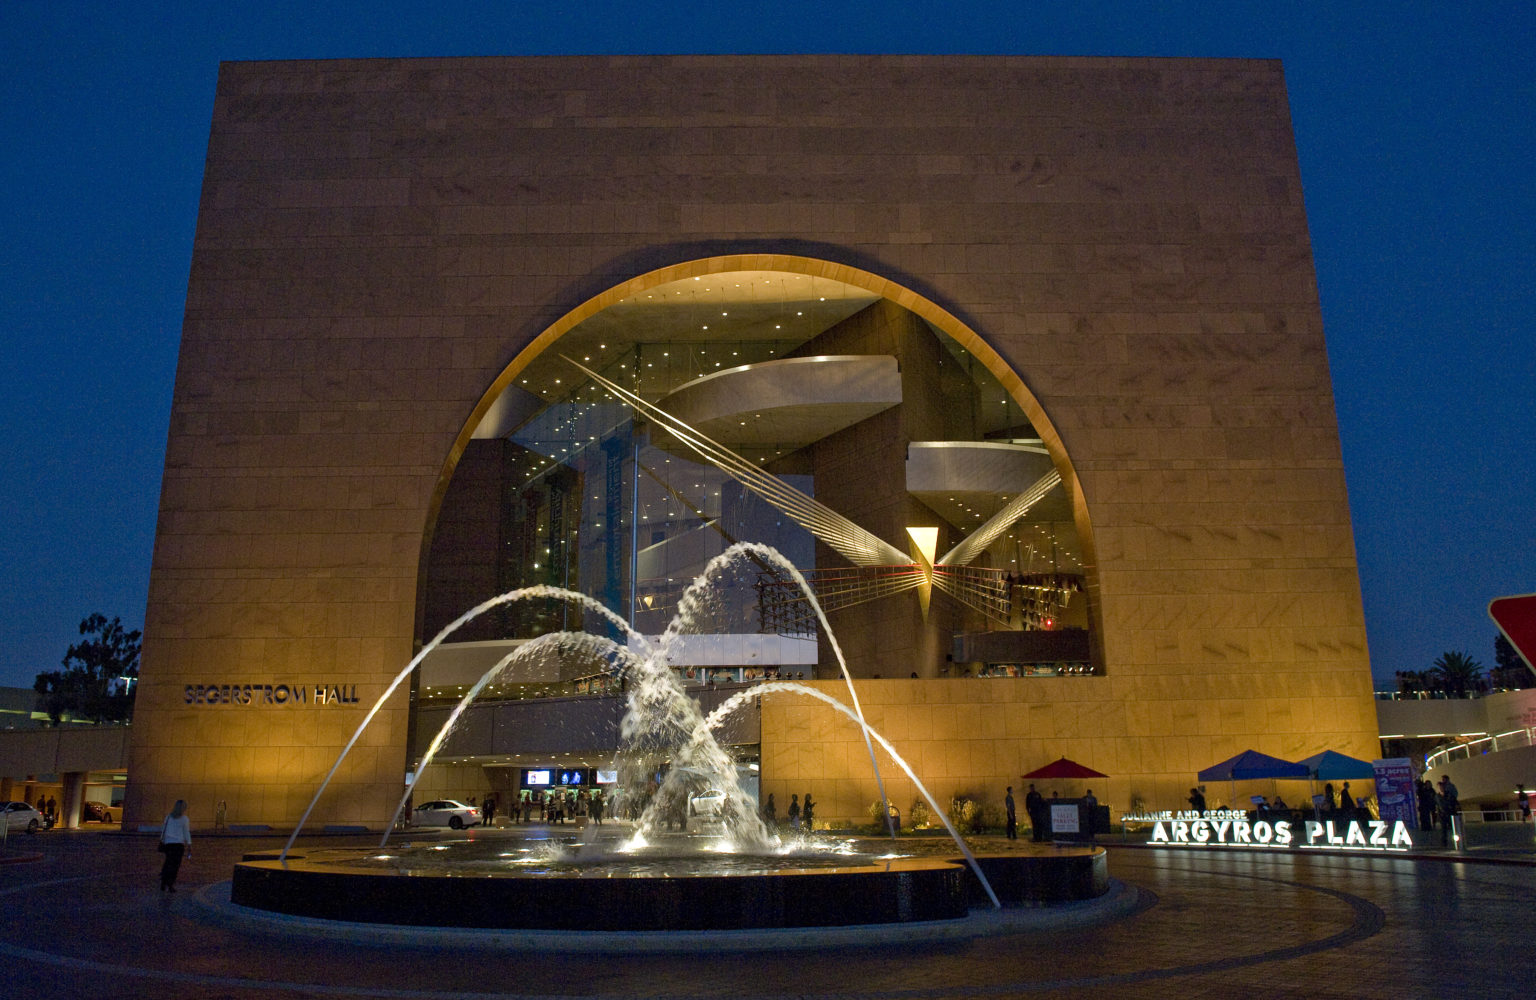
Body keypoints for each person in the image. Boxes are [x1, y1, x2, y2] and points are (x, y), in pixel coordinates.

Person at [159, 800, 192, 892]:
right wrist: (189, 844)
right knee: (175, 866)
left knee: (167, 863)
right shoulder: (184, 819)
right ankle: (170, 885)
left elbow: (163, 829)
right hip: (178, 845)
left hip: (168, 844)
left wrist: (162, 840)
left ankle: (163, 882)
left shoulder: (168, 817)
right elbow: (186, 832)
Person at [1437, 775, 1460, 847]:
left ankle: (1457, 841)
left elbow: (1454, 799)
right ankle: (1444, 843)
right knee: (1443, 829)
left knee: (1453, 827)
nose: (1441, 788)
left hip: (1450, 812)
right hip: (1443, 814)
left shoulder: (1449, 793)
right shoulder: (1437, 796)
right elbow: (1437, 804)